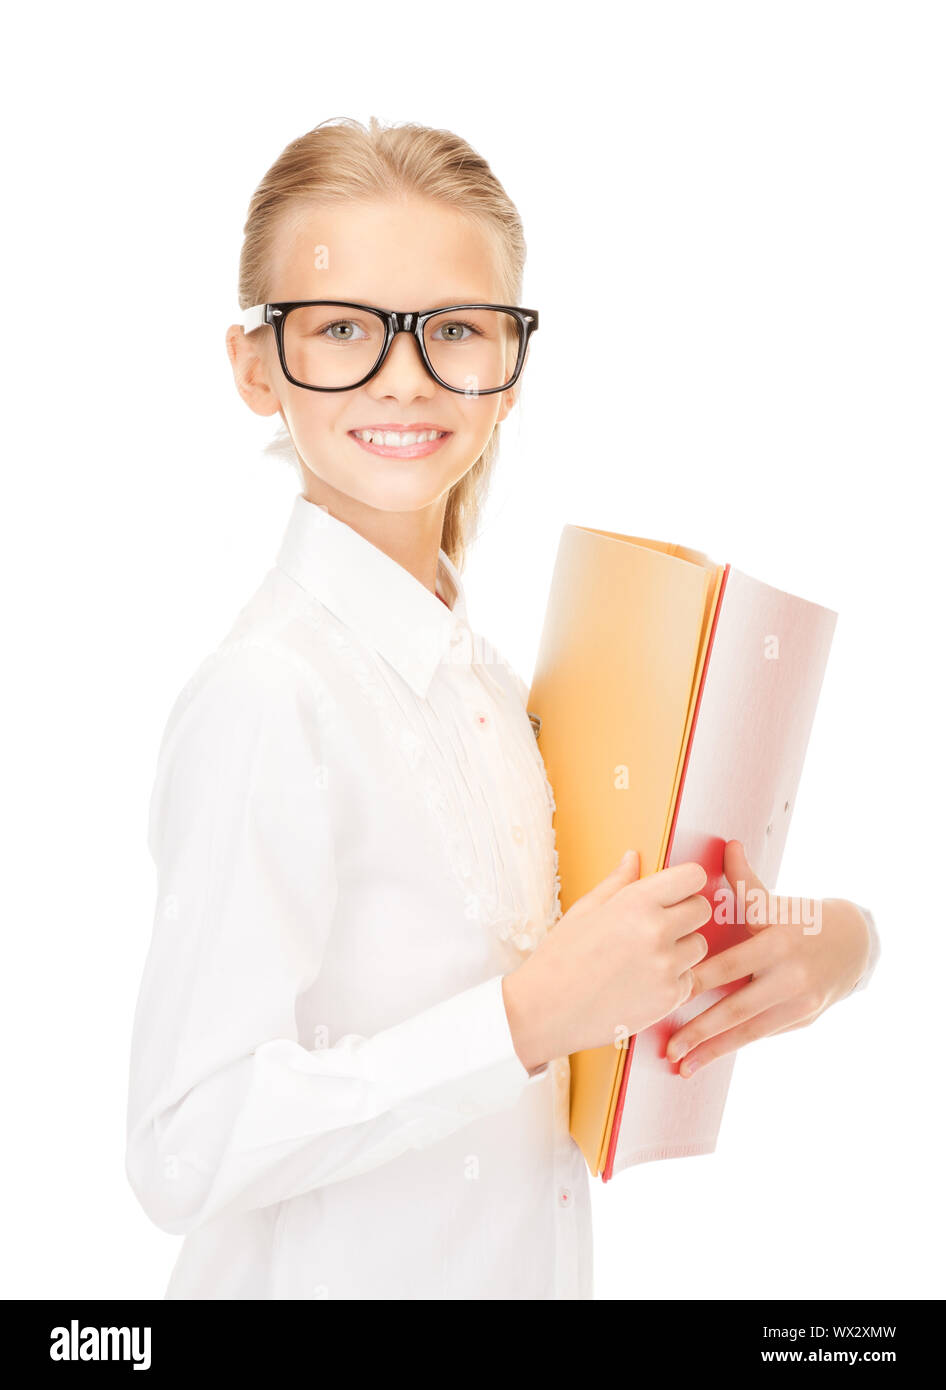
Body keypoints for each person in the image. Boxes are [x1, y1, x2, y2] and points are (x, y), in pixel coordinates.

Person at [124, 116, 880, 1301]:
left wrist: (835, 942)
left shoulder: (483, 680)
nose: (404, 375)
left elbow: (595, 952)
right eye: (338, 328)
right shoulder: (269, 697)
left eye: (455, 330)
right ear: (255, 365)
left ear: (509, 369)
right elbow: (182, 1143)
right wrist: (524, 1020)